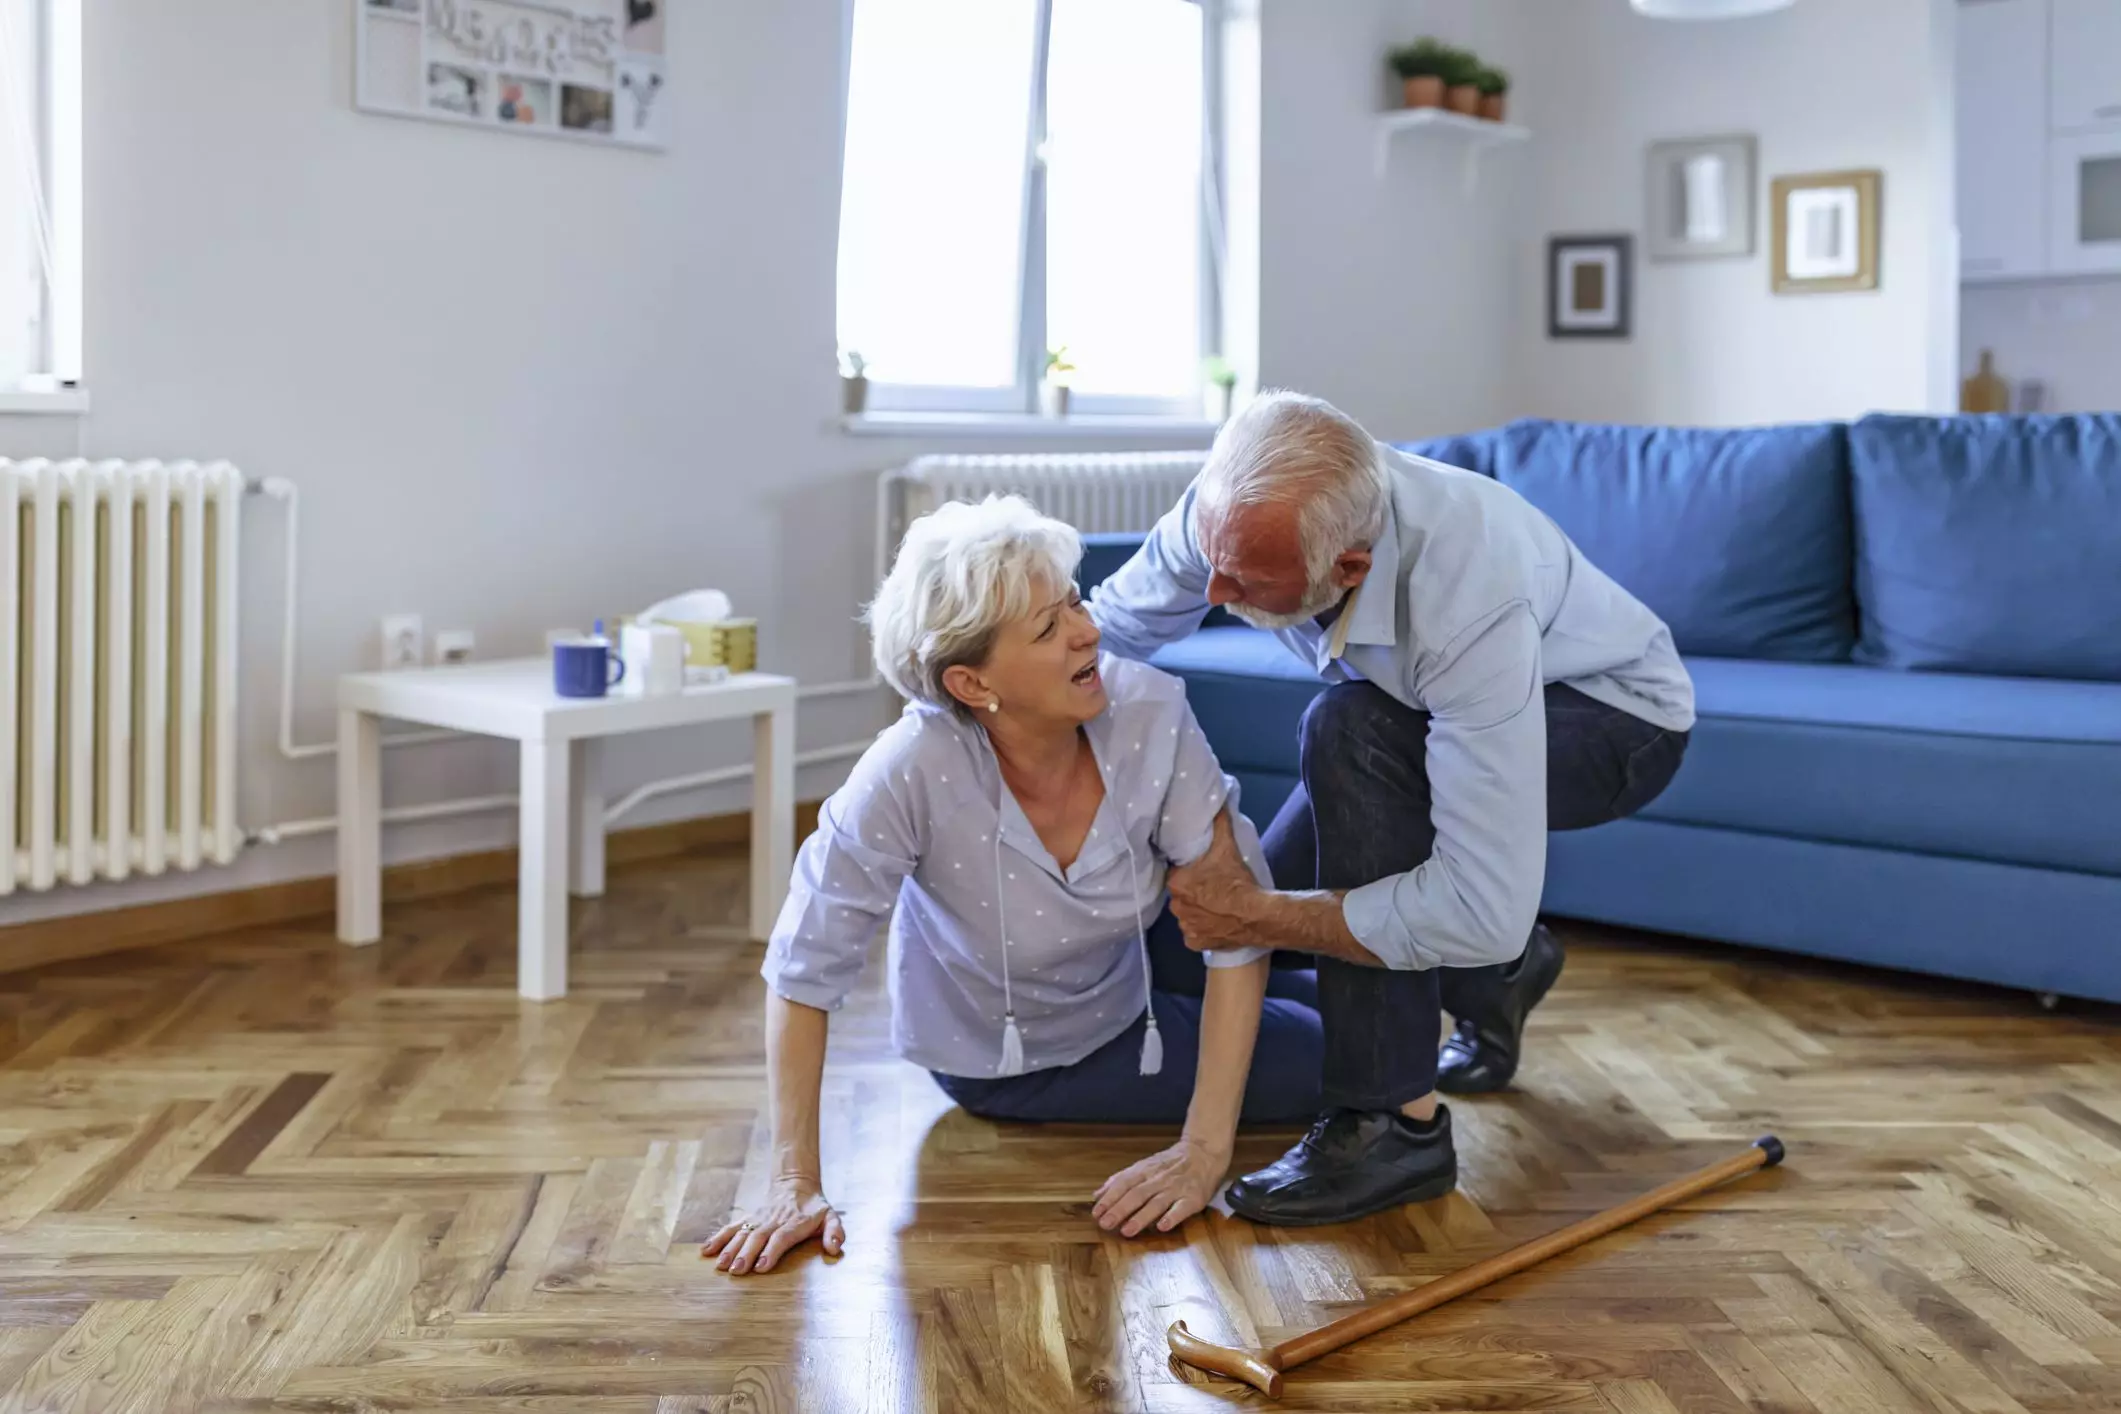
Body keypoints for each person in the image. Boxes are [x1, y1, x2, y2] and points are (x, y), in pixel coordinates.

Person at [1087, 390, 1695, 1226]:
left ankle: (1392, 1127)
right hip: (1421, 715)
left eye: (1246, 579)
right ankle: (1500, 980)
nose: (1212, 589)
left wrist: (1262, 913)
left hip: (1612, 718)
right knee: (1188, 948)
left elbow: (1480, 908)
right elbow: (1106, 635)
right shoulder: (1231, 513)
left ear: (1349, 569)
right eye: (1209, 557)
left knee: (1350, 729)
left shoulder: (1466, 593)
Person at [707, 496, 1324, 1276]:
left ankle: (1460, 987)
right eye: (1047, 627)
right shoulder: (907, 772)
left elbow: (1231, 917)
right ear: (972, 684)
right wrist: (795, 1182)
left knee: (1334, 979)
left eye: (1072, 600)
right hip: (1029, 1053)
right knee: (1331, 1053)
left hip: (1133, 949)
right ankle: (1456, 1001)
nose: (1087, 629)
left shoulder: (1145, 708)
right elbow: (803, 970)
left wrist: (1205, 1150)